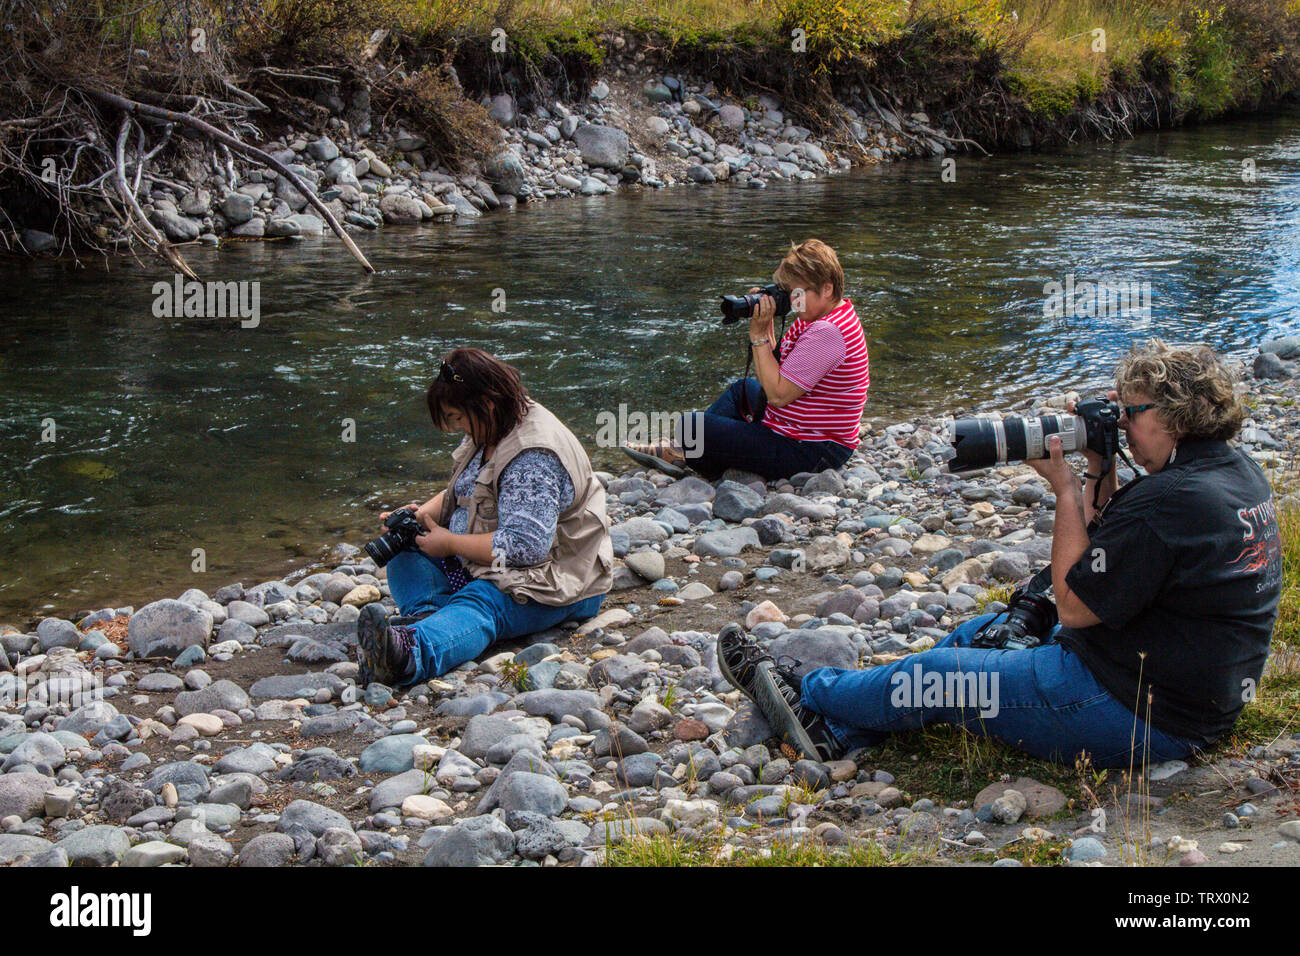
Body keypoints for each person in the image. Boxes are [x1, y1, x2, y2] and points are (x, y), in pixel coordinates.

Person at [716, 340, 1283, 768]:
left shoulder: (1169, 501)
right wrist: (1097, 466)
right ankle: (845, 731)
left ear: (1175, 415)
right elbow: (1116, 553)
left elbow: (1076, 605)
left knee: (939, 676)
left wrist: (1064, 491)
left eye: (1131, 413)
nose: (1125, 426)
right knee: (985, 633)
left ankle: (806, 691)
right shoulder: (1231, 474)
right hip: (1184, 692)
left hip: (1139, 712)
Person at [356, 348, 613, 687]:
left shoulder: (533, 458)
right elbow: (465, 489)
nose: (455, 427)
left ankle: (408, 655)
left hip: (554, 580)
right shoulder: (496, 424)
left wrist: (448, 543)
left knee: (483, 601)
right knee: (404, 550)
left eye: (457, 417)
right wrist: (420, 515)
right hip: (484, 559)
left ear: (485, 404)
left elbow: (524, 548)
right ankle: (435, 620)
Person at [621, 238, 869, 481]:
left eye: (798, 293)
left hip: (812, 450)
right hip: (804, 432)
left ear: (826, 288)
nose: (793, 301)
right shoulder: (822, 318)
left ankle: (690, 454)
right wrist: (767, 323)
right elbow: (781, 370)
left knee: (691, 427)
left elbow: (778, 395)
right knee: (740, 390)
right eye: (789, 293)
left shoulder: (827, 332)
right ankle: (686, 452)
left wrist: (758, 336)